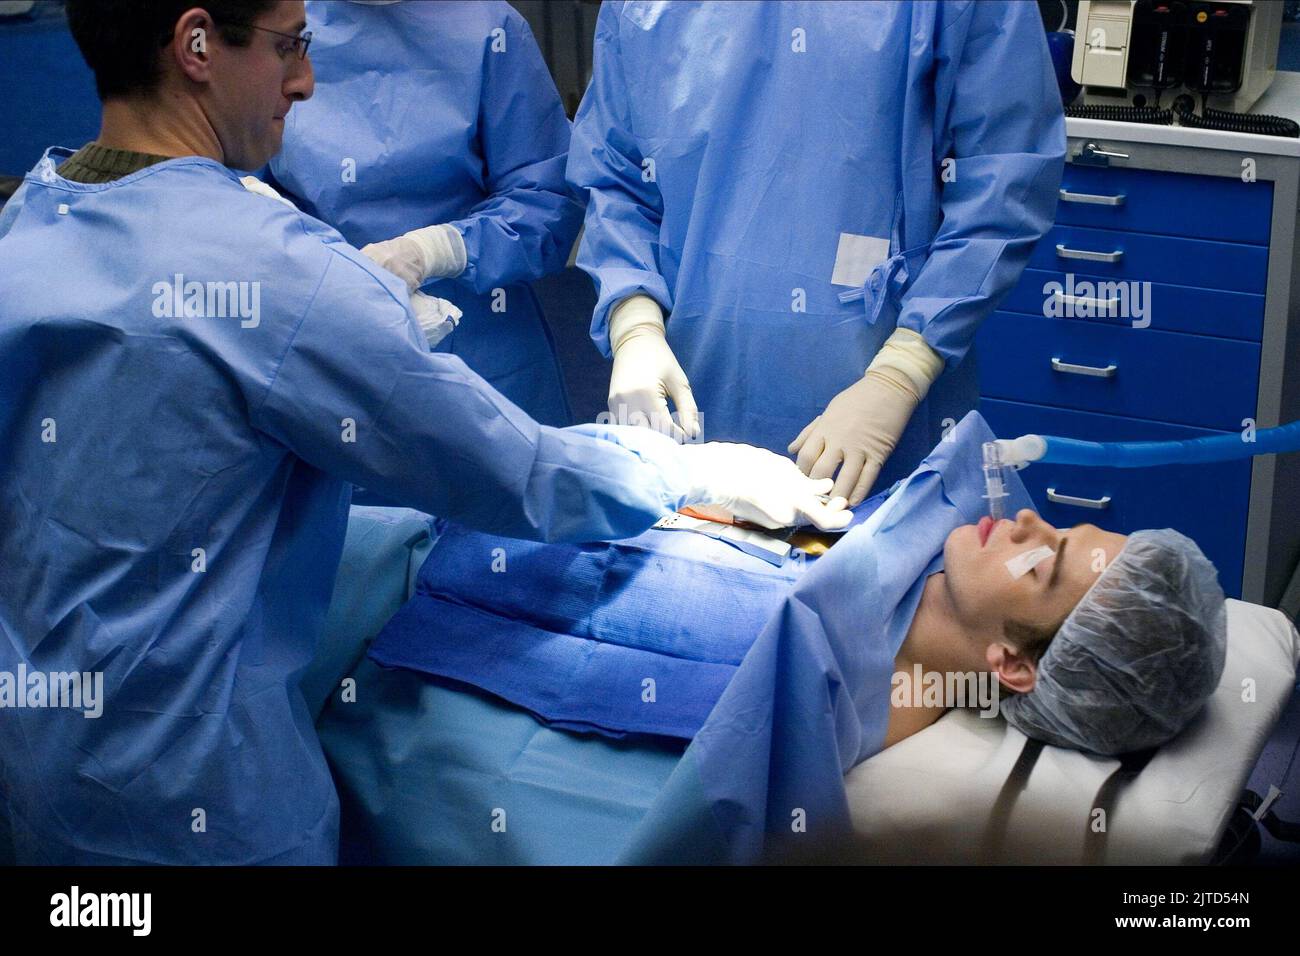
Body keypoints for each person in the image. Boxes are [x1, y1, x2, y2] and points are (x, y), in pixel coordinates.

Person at [0, 0, 847, 866]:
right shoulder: (270, 270)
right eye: (289, 48)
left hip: (39, 784)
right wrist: (687, 471)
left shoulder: (31, 219)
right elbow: (526, 476)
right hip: (200, 807)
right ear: (196, 44)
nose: (306, 80)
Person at [312, 412, 1227, 863]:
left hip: (343, 632)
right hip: (408, 526)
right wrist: (675, 473)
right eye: (1057, 527)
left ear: (1014, 666)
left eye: (1049, 563)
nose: (1027, 527)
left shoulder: (791, 717)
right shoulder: (877, 550)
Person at [567, 0, 1067, 503]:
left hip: (873, 392)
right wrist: (635, 323)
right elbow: (616, 179)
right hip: (691, 384)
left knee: (874, 568)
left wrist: (903, 371)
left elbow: (1004, 182)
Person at [266, 0, 582, 427]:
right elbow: (229, 181)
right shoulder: (273, 25)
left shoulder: (489, 27)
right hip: (325, 339)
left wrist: (436, 250)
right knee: (335, 485)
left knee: (497, 477)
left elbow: (545, 196)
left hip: (480, 341)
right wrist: (281, 231)